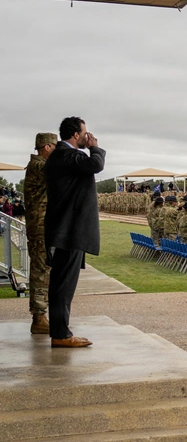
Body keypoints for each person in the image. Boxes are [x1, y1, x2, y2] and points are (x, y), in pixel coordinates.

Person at [44, 117, 105, 347]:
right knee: (62, 284)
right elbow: (96, 165)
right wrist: (95, 147)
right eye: (85, 133)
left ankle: (60, 331)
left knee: (62, 283)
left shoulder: (62, 156)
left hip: (65, 230)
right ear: (76, 135)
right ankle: (60, 335)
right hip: (68, 231)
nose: (87, 137)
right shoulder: (68, 155)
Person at [24, 132, 58, 335]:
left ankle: (41, 315)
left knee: (44, 268)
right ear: (46, 147)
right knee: (41, 270)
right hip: (39, 228)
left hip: (41, 226)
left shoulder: (36, 166)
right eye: (54, 148)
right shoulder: (39, 166)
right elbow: (59, 172)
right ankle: (39, 317)